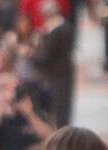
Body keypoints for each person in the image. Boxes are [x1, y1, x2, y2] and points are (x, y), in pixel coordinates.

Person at [32, 0, 75, 128]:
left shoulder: (57, 30)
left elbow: (46, 55)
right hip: (58, 73)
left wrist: (34, 52)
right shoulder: (63, 27)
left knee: (60, 108)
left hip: (58, 74)